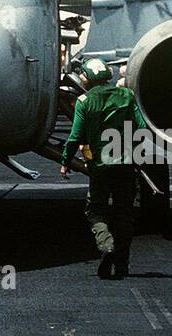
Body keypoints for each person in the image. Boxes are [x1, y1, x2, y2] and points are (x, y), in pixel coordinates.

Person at [61, 56, 146, 279]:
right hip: (126, 164)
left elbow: (75, 137)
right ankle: (122, 266)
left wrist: (65, 161)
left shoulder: (84, 101)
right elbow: (142, 127)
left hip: (99, 167)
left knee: (96, 211)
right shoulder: (127, 95)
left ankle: (106, 245)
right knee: (124, 214)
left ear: (87, 78)